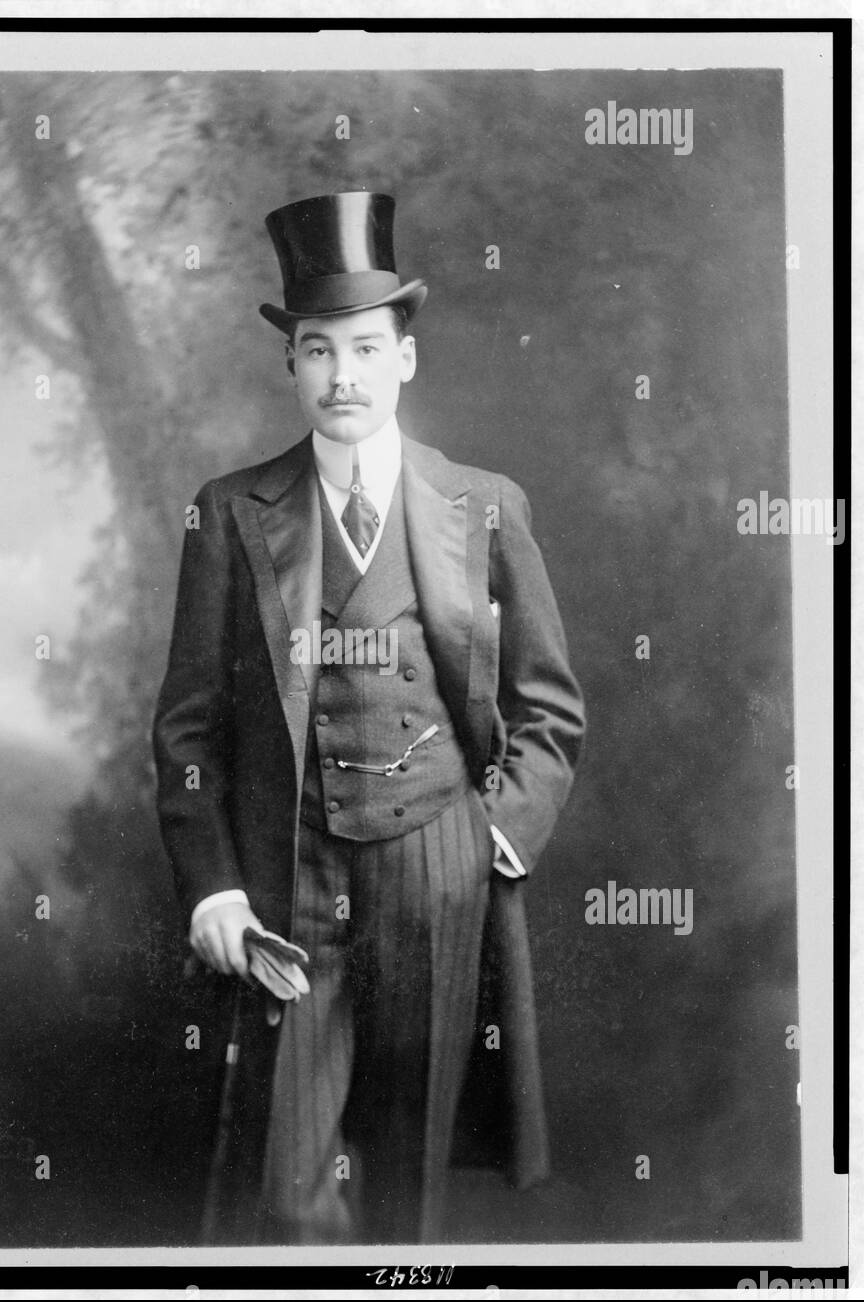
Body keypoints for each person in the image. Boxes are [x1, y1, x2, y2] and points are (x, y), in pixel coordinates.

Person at [153, 191, 585, 1244]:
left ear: (404, 359)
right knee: (288, 1190)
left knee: (405, 1191)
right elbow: (187, 731)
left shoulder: (482, 507)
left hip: (438, 873)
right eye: (314, 350)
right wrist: (212, 884)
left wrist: (491, 841)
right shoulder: (229, 512)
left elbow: (547, 708)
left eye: (361, 348)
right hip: (288, 885)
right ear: (289, 366)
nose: (339, 377)